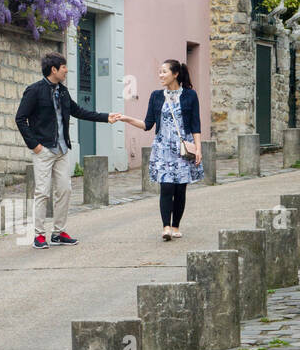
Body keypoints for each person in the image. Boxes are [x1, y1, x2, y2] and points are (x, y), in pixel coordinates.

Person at [15, 53, 124, 248]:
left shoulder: (63, 92)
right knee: (42, 192)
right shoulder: (34, 90)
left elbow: (78, 111)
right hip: (43, 150)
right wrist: (35, 146)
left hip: (62, 149)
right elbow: (20, 119)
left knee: (65, 189)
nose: (67, 70)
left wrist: (105, 117)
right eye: (64, 67)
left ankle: (58, 232)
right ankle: (39, 235)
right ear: (54, 69)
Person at [122, 59, 203, 240]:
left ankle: (175, 226)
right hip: (163, 149)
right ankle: (166, 227)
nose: (160, 75)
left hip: (183, 149)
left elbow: (195, 125)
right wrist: (126, 119)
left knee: (180, 190)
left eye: (164, 72)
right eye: (159, 72)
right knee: (166, 187)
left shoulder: (190, 95)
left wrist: (198, 149)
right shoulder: (156, 96)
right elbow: (147, 124)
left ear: (175, 74)